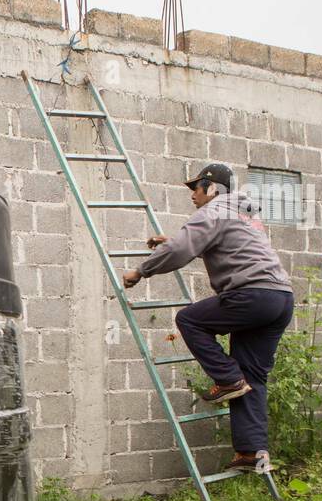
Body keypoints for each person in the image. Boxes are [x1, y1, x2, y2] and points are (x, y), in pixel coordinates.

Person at [121, 163, 294, 472]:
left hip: (252, 295)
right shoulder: (243, 213)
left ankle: (226, 379)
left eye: (196, 187)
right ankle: (252, 453)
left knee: (190, 320)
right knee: (251, 376)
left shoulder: (214, 210)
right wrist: (172, 243)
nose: (193, 195)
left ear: (212, 188)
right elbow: (223, 245)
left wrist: (140, 270)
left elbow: (183, 249)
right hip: (279, 298)